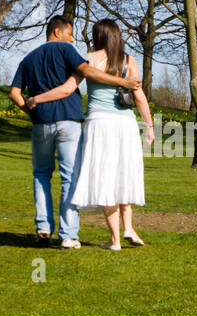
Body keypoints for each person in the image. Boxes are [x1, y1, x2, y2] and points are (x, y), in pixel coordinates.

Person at [8, 15, 142, 249]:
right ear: (57, 33)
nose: (72, 39)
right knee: (69, 177)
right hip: (68, 120)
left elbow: (14, 93)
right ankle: (68, 235)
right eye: (69, 34)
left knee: (41, 174)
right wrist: (122, 82)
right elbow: (88, 73)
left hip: (41, 123)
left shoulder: (28, 59)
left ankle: (43, 227)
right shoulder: (66, 51)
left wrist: (30, 111)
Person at [44, 18, 153, 251]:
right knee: (125, 175)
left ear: (97, 37)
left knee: (105, 179)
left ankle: (115, 240)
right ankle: (129, 227)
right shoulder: (129, 61)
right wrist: (150, 126)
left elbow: (68, 88)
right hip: (125, 123)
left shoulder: (89, 59)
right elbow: (140, 96)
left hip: (99, 123)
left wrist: (39, 99)